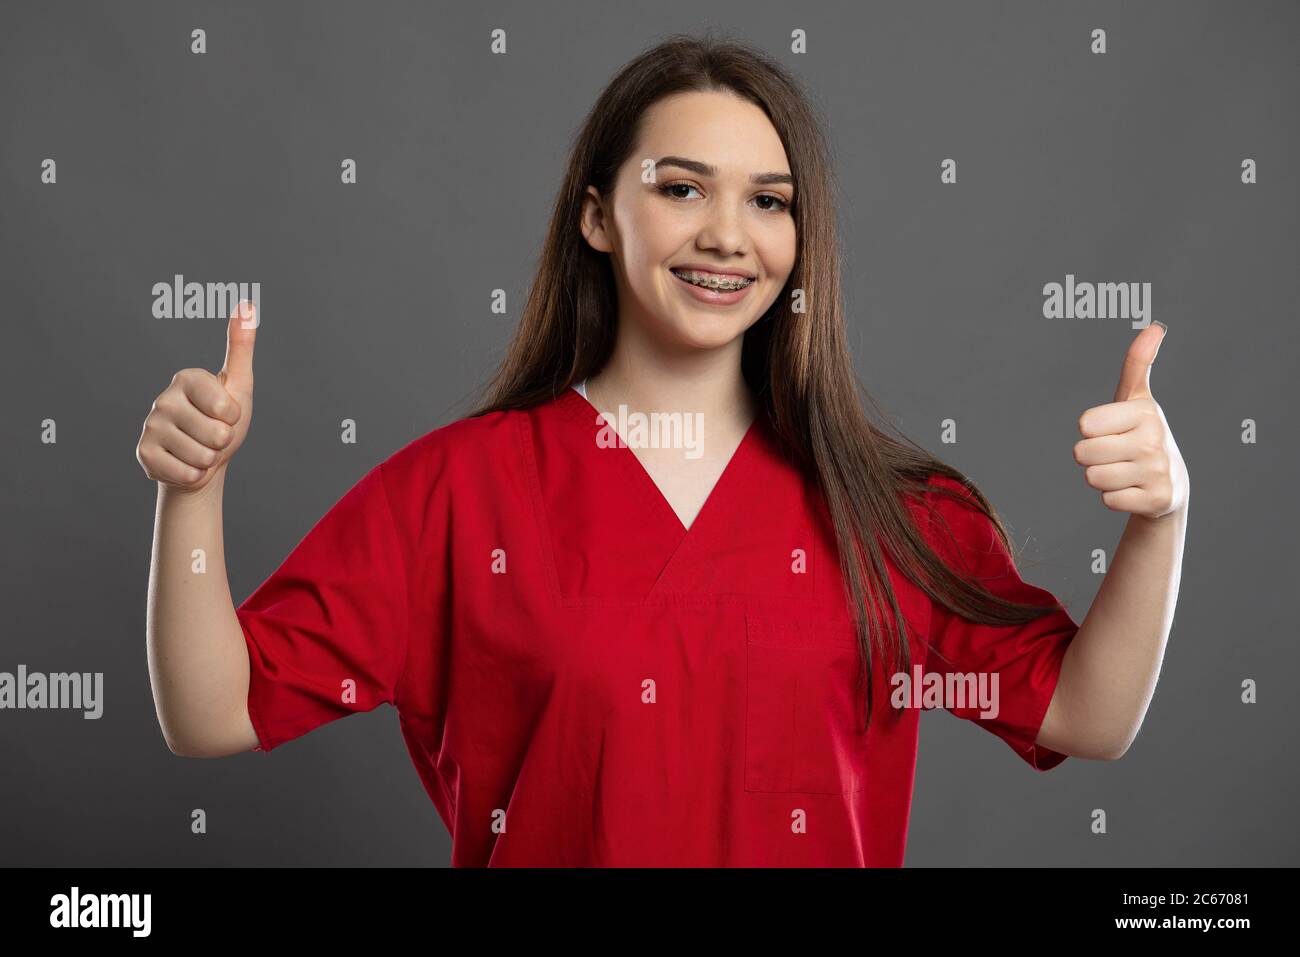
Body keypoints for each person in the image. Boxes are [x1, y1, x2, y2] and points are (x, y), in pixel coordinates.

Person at [138, 33, 1189, 867]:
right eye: (680, 188)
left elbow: (1087, 715)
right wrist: (193, 490)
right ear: (598, 216)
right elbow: (212, 712)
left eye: (768, 201)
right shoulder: (461, 490)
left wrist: (1161, 519)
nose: (728, 234)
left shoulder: (889, 509)